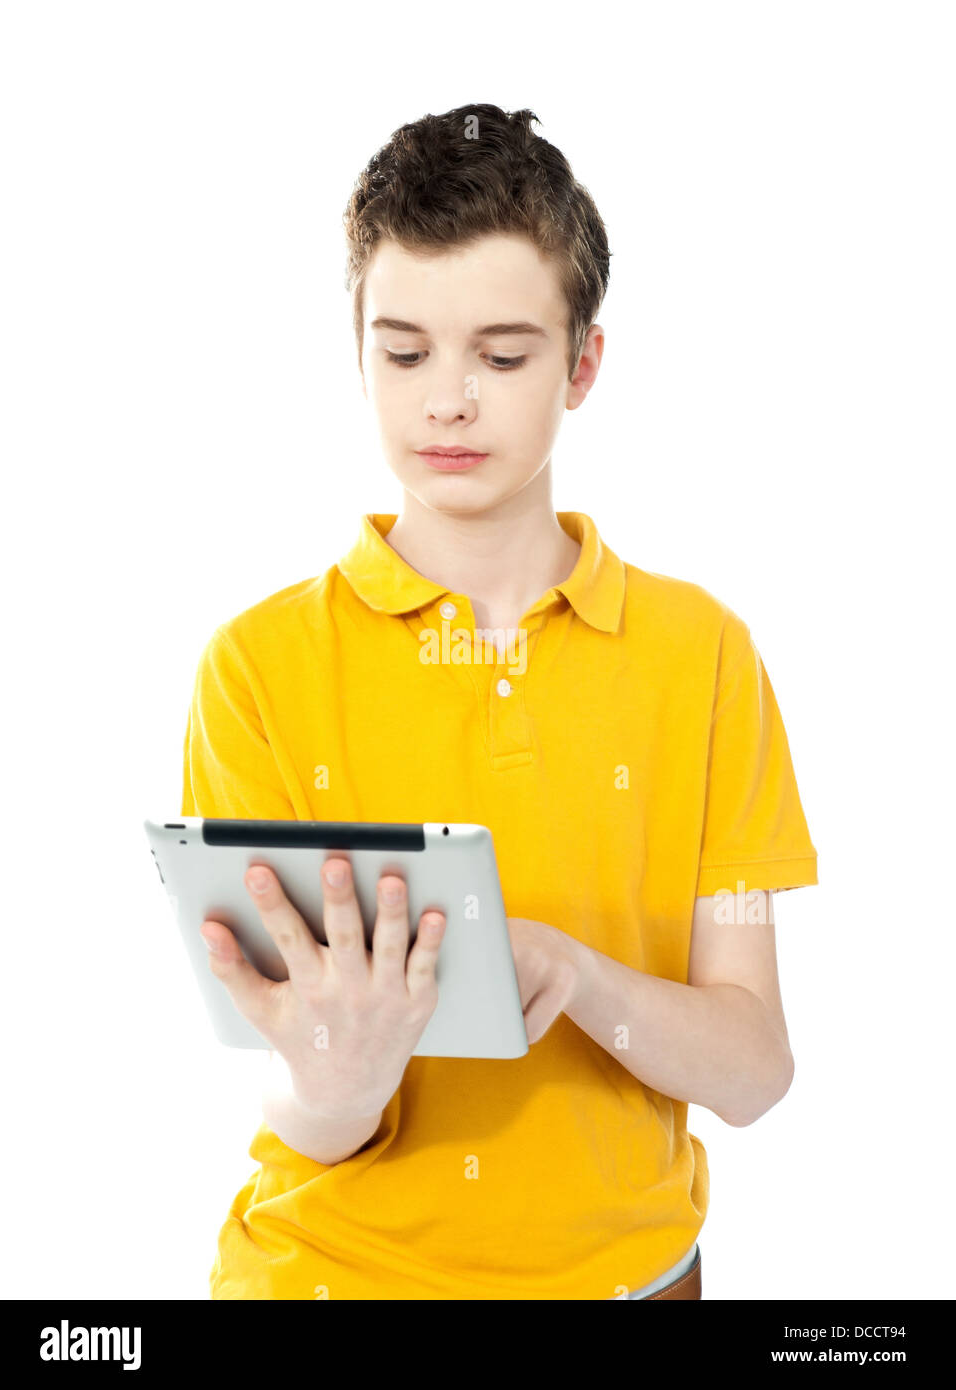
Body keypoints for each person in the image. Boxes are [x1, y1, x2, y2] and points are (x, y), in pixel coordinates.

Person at [182, 103, 818, 1301]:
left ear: (583, 364)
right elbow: (297, 1106)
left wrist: (578, 977)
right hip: (329, 1280)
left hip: (632, 1281)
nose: (449, 400)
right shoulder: (256, 666)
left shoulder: (703, 655)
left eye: (504, 354)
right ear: (357, 351)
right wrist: (343, 1071)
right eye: (405, 351)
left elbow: (753, 1072)